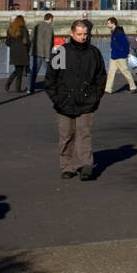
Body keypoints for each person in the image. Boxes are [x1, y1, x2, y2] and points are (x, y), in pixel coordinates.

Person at [44, 19, 105, 180]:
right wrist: (57, 99)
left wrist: (96, 96)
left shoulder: (94, 53)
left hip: (87, 101)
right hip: (64, 101)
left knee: (84, 134)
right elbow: (51, 79)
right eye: (79, 34)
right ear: (72, 33)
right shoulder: (61, 52)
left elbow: (100, 77)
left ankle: (85, 164)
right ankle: (67, 166)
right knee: (66, 135)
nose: (82, 37)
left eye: (85, 34)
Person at [104, 17, 137, 94]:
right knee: (111, 72)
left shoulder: (119, 32)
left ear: (113, 23)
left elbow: (125, 43)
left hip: (120, 55)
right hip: (114, 55)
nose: (107, 24)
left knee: (125, 71)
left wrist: (126, 52)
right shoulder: (114, 31)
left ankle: (133, 87)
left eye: (108, 23)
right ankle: (108, 89)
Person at [4, 15, 31, 92]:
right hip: (22, 52)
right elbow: (26, 42)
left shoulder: (11, 29)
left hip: (14, 51)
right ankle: (11, 84)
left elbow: (7, 42)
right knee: (19, 70)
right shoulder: (23, 29)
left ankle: (15, 87)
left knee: (18, 70)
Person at [30, 13, 54, 92]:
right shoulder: (49, 28)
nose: (52, 21)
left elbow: (31, 38)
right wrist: (47, 56)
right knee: (49, 71)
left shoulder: (37, 26)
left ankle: (30, 87)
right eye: (52, 20)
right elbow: (48, 42)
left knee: (34, 71)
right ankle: (50, 86)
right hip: (44, 53)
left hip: (35, 51)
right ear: (50, 19)